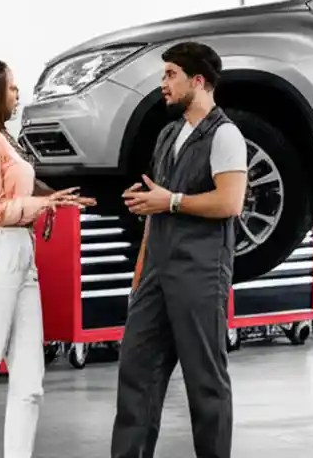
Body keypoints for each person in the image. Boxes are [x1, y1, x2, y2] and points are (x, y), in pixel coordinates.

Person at [0, 59, 94, 458]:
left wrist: (51, 198)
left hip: (21, 253)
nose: (17, 94)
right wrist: (40, 204)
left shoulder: (3, 139)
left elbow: (16, 195)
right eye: (12, 87)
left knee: (30, 383)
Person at [110, 41, 248, 458]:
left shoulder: (225, 135)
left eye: (171, 74)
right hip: (156, 272)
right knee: (136, 372)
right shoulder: (169, 133)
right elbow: (155, 209)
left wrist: (170, 201)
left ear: (198, 80)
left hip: (200, 273)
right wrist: (139, 275)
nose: (163, 83)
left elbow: (230, 202)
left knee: (205, 381)